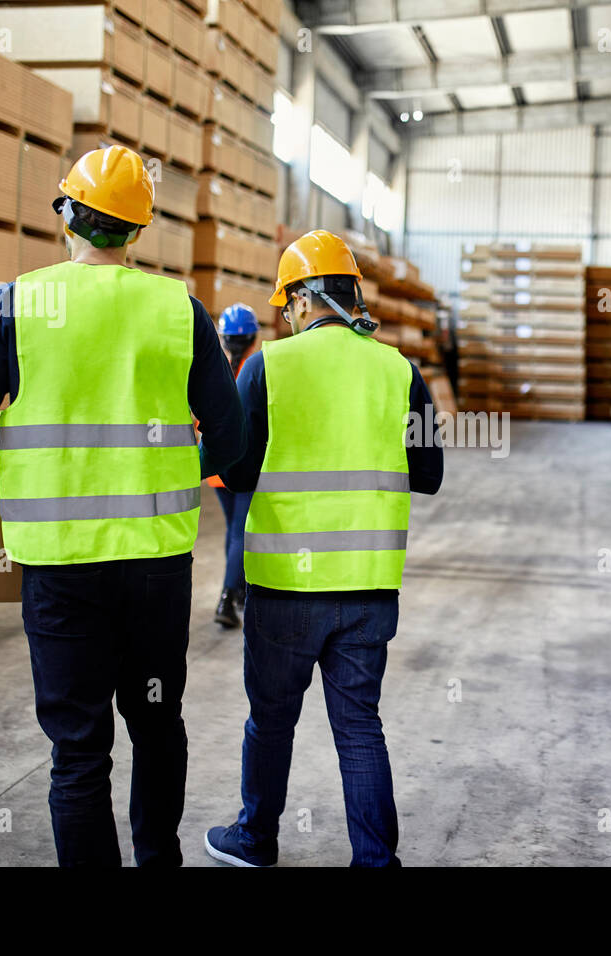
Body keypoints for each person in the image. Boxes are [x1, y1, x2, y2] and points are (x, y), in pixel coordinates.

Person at [0, 145, 248, 867]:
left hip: (60, 568)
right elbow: (234, 439)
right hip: (155, 561)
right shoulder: (178, 309)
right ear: (138, 231)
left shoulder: (17, 304)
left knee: (79, 747)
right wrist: (184, 470)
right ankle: (158, 859)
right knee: (156, 724)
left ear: (67, 217)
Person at [204, 230, 443, 868]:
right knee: (360, 729)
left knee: (270, 722)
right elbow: (429, 474)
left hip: (285, 588)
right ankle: (375, 861)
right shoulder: (400, 371)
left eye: (287, 307)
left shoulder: (267, 367)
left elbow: (236, 472)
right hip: (368, 588)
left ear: (306, 301)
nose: (284, 319)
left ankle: (255, 840)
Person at [208, 303, 261, 628]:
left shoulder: (215, 369)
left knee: (233, 528)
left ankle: (238, 590)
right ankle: (228, 598)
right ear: (253, 338)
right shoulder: (256, 371)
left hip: (218, 469)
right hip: (244, 466)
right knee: (242, 531)